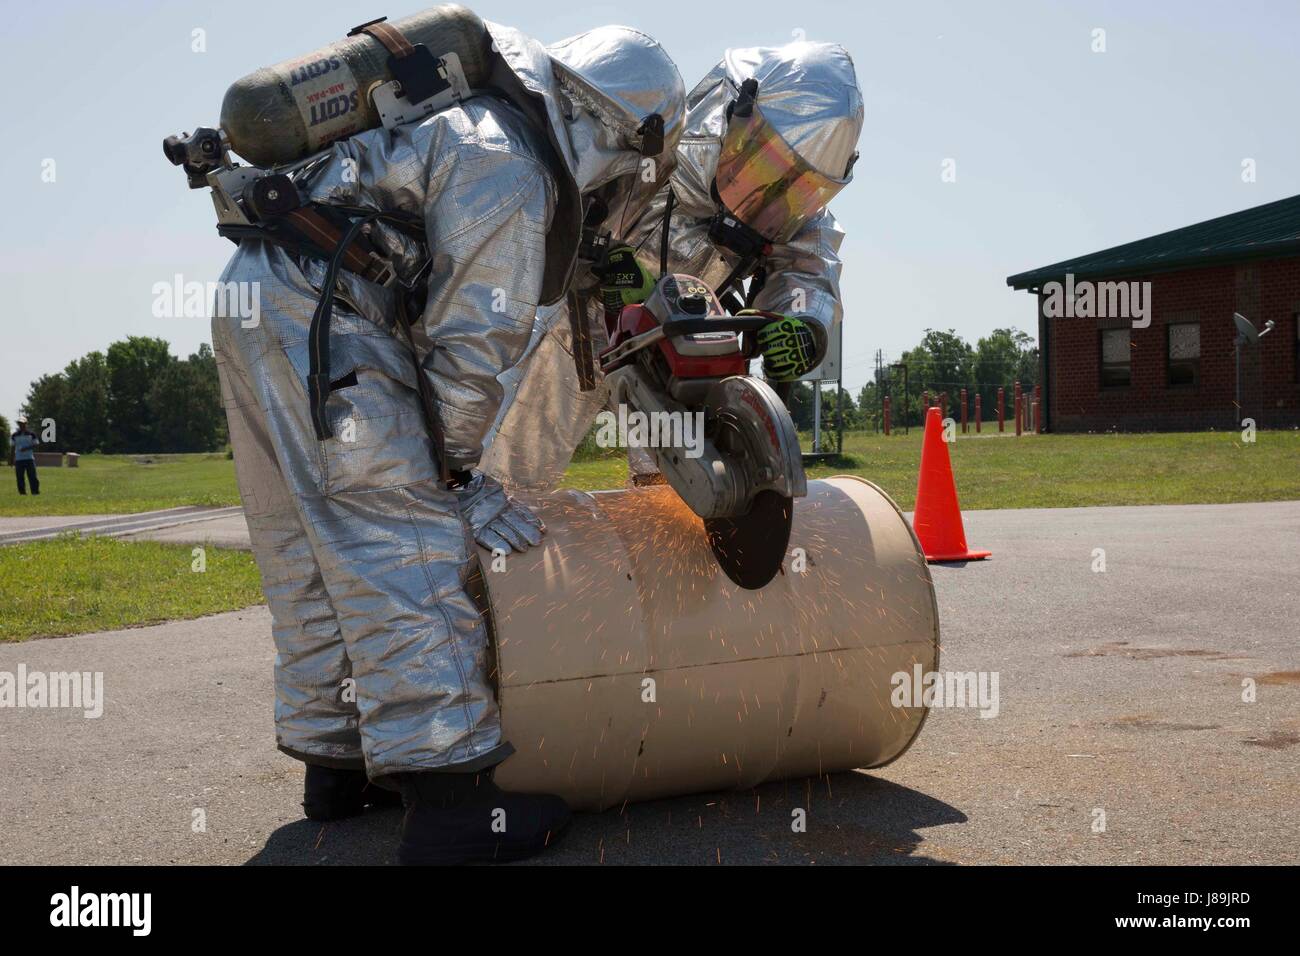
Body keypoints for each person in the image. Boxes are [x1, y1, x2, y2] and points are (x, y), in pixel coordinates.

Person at [211, 17, 683, 865]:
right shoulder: (512, 163)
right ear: (618, 132)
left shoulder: (459, 116)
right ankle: (456, 804)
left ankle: (337, 763)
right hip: (328, 315)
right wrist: (460, 473)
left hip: (256, 292)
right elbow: (475, 347)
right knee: (403, 540)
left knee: (311, 547)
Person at [481, 39, 863, 491]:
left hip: (680, 349)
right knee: (508, 477)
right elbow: (558, 198)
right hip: (573, 331)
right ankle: (480, 552)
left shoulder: (799, 217)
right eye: (768, 168)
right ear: (732, 120)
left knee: (683, 495)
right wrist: (596, 259)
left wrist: (803, 321)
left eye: (801, 187)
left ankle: (657, 555)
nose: (775, 195)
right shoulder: (658, 138)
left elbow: (811, 265)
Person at [12, 417, 40, 496]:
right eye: (20, 423)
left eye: (23, 423)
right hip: (19, 459)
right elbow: (12, 447)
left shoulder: (31, 434)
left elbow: (36, 444)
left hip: (29, 458)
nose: (21, 425)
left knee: (33, 477)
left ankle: (35, 492)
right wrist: (11, 459)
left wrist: (26, 448)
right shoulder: (14, 435)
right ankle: (22, 493)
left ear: (26, 424)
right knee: (20, 477)